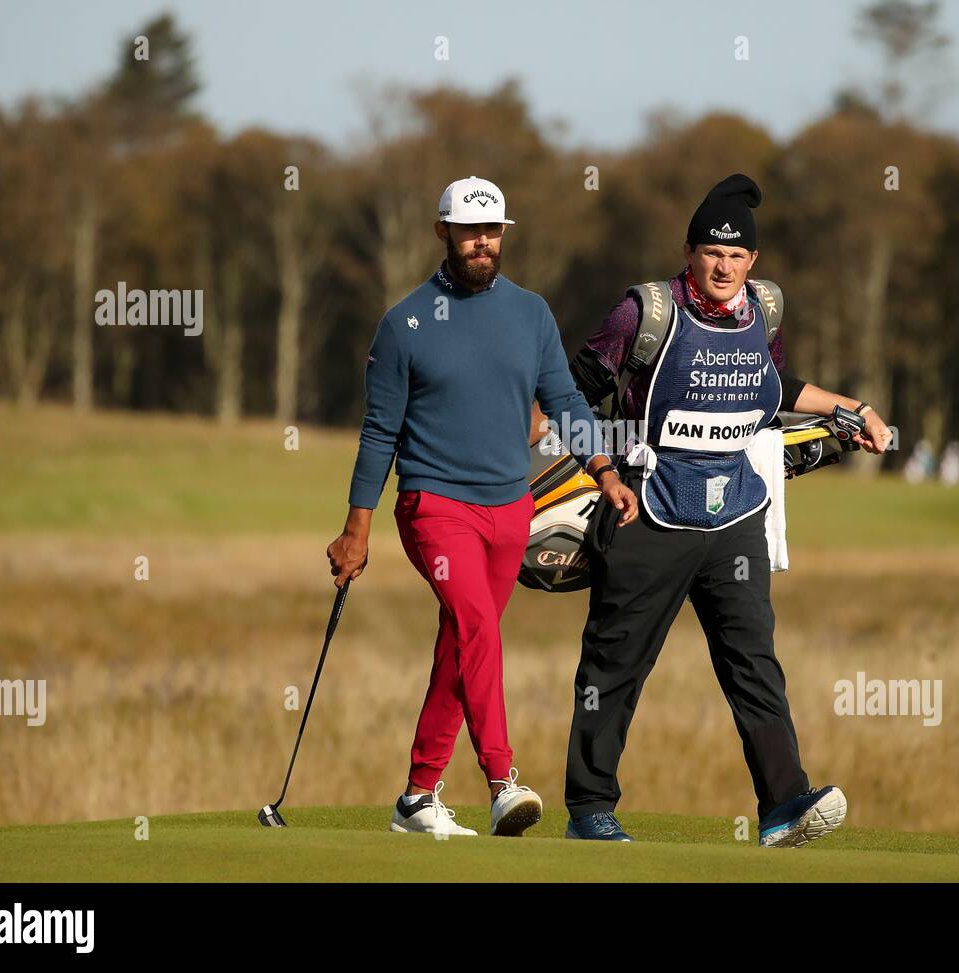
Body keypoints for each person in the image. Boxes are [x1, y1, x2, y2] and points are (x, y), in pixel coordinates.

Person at [541, 174, 892, 846]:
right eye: (711, 253)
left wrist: (852, 407)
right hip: (647, 513)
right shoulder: (642, 312)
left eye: (736, 255)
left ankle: (785, 804)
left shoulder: (764, 308)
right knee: (615, 666)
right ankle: (590, 809)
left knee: (753, 660)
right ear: (689, 251)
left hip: (736, 515)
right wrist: (603, 471)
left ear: (752, 260)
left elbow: (773, 386)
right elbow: (570, 390)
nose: (724, 266)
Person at [326, 176, 638, 838]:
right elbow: (379, 431)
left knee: (461, 644)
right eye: (470, 230)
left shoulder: (529, 313)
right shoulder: (404, 323)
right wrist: (357, 526)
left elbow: (565, 402)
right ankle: (502, 781)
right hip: (434, 505)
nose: (482, 242)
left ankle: (416, 796)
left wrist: (603, 469)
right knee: (477, 628)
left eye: (492, 230)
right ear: (443, 231)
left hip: (509, 509)